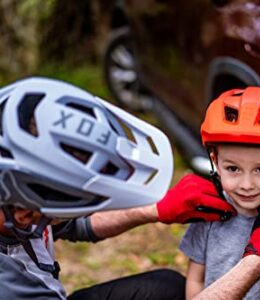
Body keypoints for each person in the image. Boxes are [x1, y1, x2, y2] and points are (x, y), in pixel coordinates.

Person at [0, 76, 236, 300]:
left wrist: (157, 209)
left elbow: (74, 225)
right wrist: (259, 256)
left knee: (166, 289)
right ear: (25, 215)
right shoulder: (13, 289)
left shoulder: (18, 201)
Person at [179, 86, 260, 299]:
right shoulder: (208, 212)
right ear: (215, 161)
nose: (246, 184)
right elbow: (196, 278)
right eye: (233, 168)